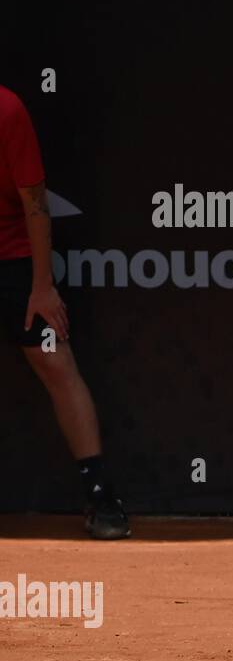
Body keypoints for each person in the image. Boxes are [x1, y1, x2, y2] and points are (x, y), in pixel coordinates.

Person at [0, 84, 130, 539]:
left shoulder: (7, 110)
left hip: (13, 264)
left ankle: (99, 496)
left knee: (56, 362)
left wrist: (41, 286)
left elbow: (36, 203)